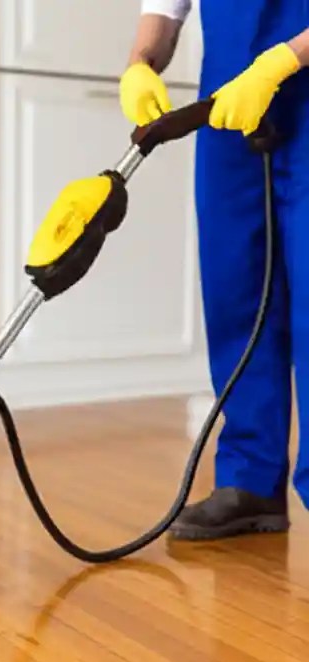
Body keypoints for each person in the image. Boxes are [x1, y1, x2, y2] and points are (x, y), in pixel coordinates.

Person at [121, 1, 309, 539]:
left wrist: (284, 61)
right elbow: (166, 8)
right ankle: (250, 481)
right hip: (228, 100)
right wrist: (140, 64)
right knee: (235, 288)